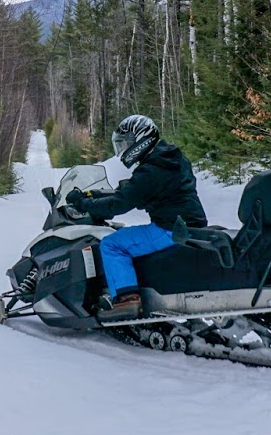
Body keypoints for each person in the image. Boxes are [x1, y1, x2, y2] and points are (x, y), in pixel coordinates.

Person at [67, 115, 207, 318]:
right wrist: (97, 195)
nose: (123, 149)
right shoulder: (170, 160)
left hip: (169, 229)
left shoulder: (151, 169)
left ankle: (127, 300)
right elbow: (140, 192)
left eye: (126, 143)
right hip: (190, 225)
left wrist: (82, 203)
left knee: (112, 244)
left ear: (141, 139)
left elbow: (119, 204)